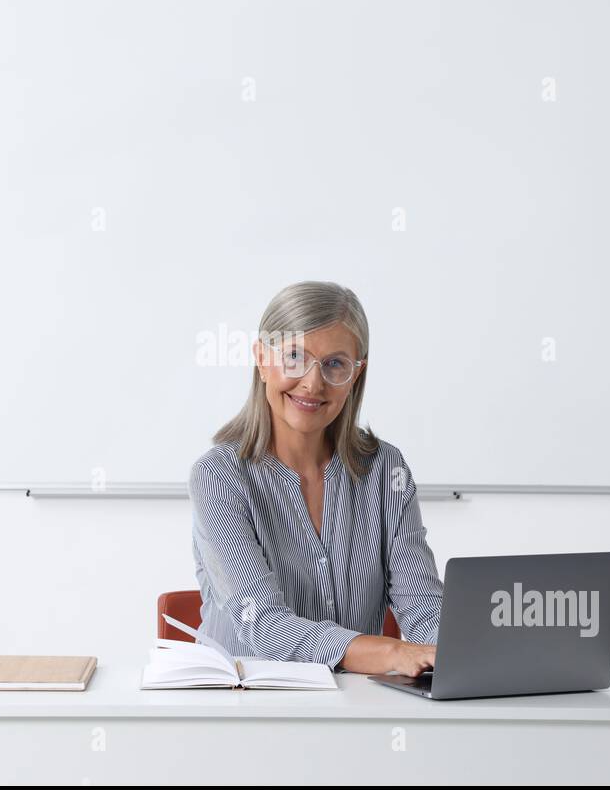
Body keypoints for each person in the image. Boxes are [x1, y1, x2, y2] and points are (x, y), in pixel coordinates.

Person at [189, 280, 442, 677]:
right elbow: (265, 627)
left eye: (335, 363)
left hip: (353, 708)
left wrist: (452, 650)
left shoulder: (385, 471)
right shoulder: (219, 476)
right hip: (244, 707)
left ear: (357, 373)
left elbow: (422, 603)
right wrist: (392, 654)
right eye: (294, 357)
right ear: (261, 358)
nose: (312, 383)